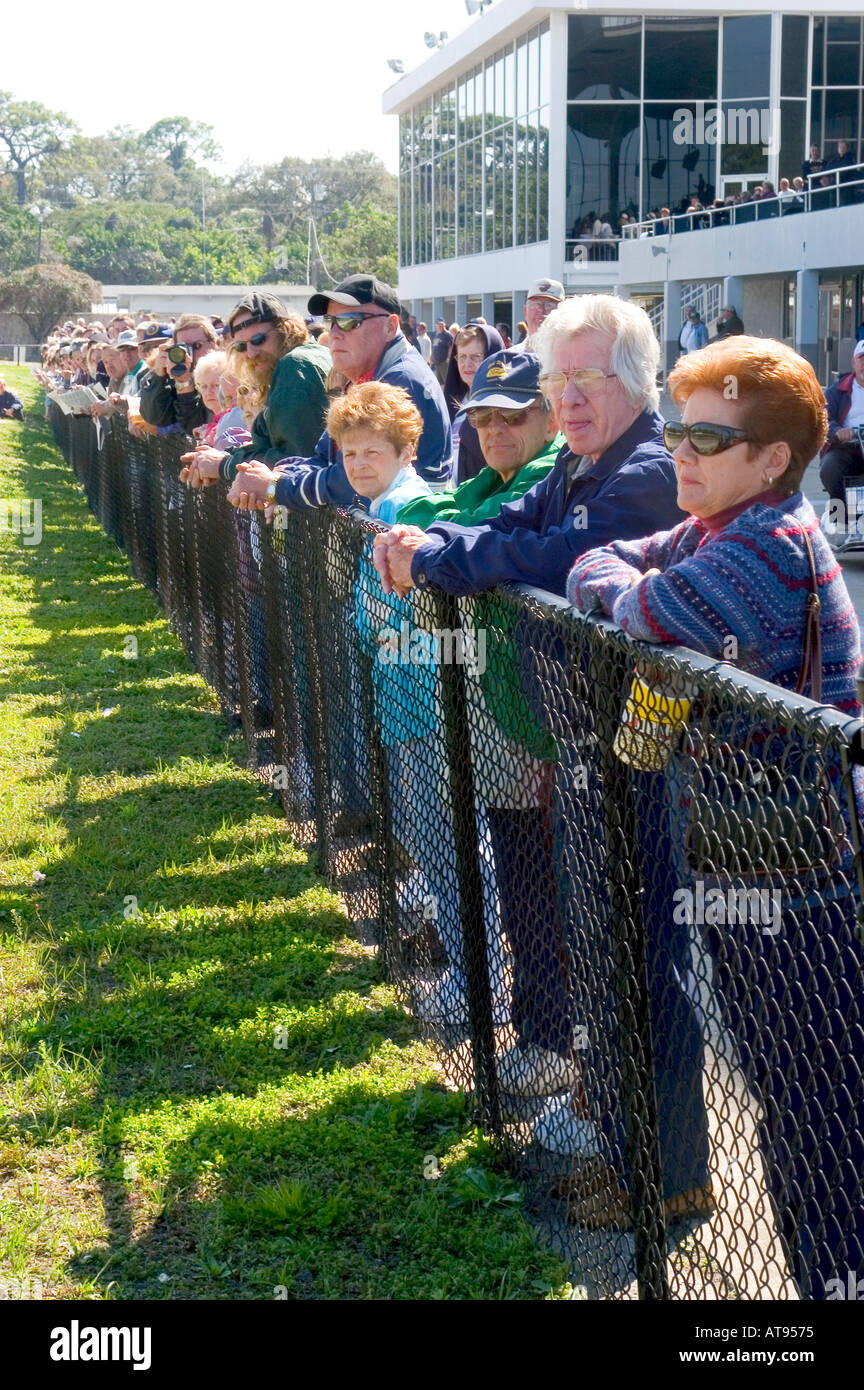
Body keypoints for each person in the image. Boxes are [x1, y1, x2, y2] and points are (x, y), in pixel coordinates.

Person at [568, 335, 864, 1294]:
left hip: (806, 890)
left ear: (772, 460)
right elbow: (603, 568)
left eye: (705, 436)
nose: (680, 454)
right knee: (797, 1106)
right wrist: (629, 592)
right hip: (753, 867)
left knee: (820, 1119)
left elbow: (643, 611)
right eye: (678, 430)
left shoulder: (768, 546)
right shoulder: (715, 530)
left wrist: (630, 596)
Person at [373, 294, 685, 1098]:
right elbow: (513, 520)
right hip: (587, 738)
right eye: (561, 379)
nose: (569, 400)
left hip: (639, 753)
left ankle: (657, 1173)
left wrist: (434, 562)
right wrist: (433, 541)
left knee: (637, 953)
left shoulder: (647, 468)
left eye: (589, 378)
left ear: (638, 380)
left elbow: (552, 555)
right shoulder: (584, 461)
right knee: (597, 935)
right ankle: (621, 1139)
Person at [223, 274, 452, 512]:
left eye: (350, 321)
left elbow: (352, 480)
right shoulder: (367, 377)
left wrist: (275, 488)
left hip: (408, 536)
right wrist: (277, 475)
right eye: (331, 321)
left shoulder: (399, 380)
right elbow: (323, 458)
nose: (334, 333)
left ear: (390, 326)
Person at [179, 294, 331, 489]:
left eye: (258, 339)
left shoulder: (294, 366)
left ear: (286, 329)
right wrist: (221, 458)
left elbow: (296, 461)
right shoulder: (311, 354)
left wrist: (223, 465)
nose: (250, 353)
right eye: (241, 346)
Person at [442, 321, 504, 484]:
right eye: (462, 357)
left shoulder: (503, 409)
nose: (466, 364)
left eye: (475, 357)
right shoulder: (456, 402)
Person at [139, 314, 218, 434]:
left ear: (213, 345)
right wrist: (159, 375)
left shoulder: (225, 376)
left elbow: (198, 426)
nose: (190, 354)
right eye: (184, 348)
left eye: (197, 346)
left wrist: (184, 383)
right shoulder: (176, 372)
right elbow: (155, 417)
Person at [818, 338, 864, 527]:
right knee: (829, 469)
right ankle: (841, 519)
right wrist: (838, 431)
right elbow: (823, 419)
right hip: (846, 448)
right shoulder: (836, 391)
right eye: (862, 359)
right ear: (854, 362)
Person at [522, 278, 565, 351]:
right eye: (535, 304)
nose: (541, 310)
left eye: (549, 305)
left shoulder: (573, 358)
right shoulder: (508, 359)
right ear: (525, 312)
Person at [430, 318, 454, 385]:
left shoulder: (447, 335)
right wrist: (431, 358)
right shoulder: (437, 335)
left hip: (444, 362)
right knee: (440, 383)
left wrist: (448, 358)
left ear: (444, 325)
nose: (440, 326)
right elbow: (434, 347)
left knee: (446, 382)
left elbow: (451, 346)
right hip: (437, 363)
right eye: (438, 325)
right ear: (436, 326)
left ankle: (448, 395)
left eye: (441, 325)